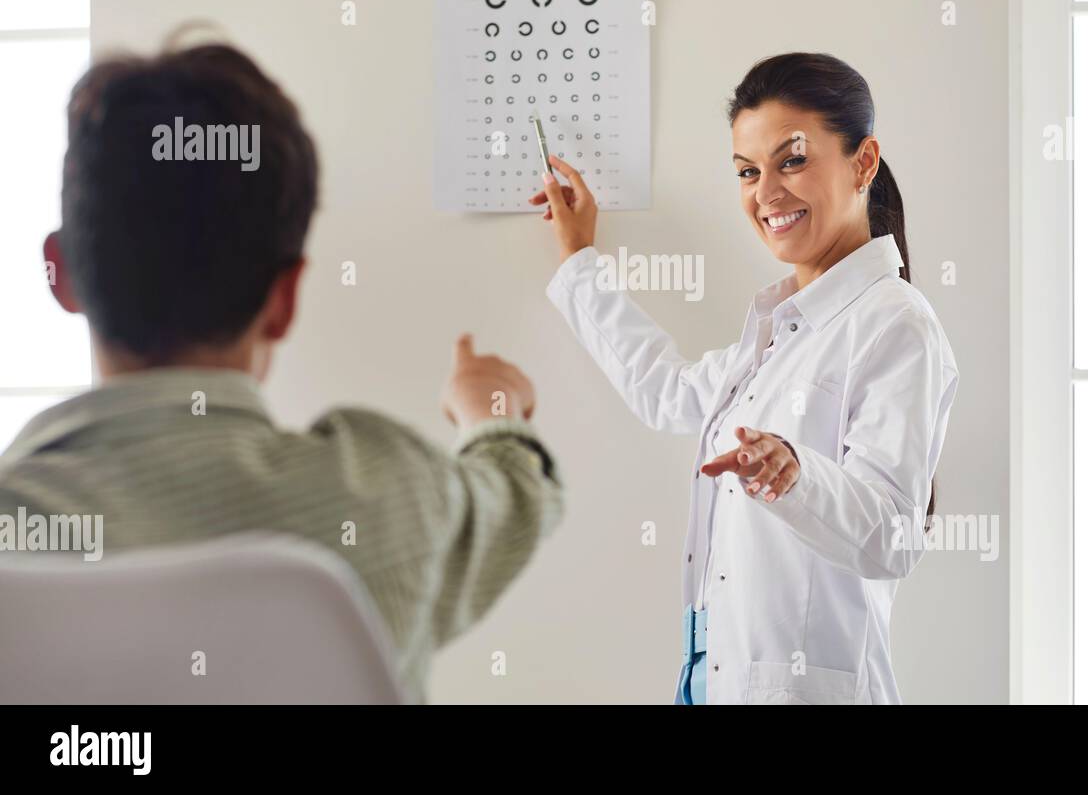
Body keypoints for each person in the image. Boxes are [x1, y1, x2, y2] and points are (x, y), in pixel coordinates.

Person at [0, 41, 561, 702]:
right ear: (286, 298)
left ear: (60, 273)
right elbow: (517, 495)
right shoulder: (392, 494)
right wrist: (489, 412)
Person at [535, 52, 959, 705]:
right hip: (707, 679)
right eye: (746, 171)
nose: (766, 193)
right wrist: (579, 259)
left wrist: (793, 472)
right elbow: (667, 391)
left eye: (792, 161)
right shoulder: (777, 329)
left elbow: (892, 536)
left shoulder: (895, 323)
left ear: (863, 162)